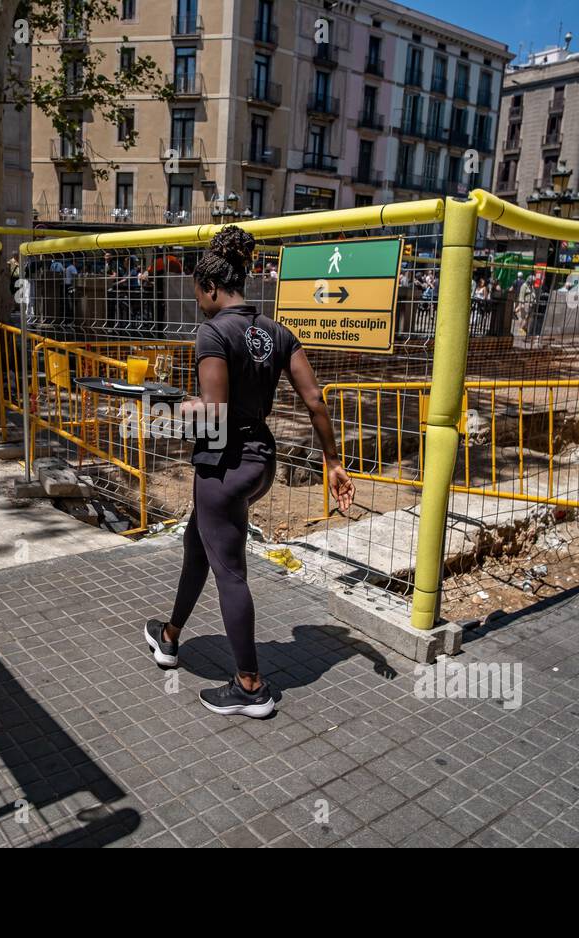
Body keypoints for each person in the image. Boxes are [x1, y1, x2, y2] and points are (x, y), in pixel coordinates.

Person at [143, 226, 354, 719]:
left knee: (230, 571)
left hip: (223, 461)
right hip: (260, 460)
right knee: (200, 544)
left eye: (198, 293)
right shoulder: (277, 332)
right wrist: (332, 459)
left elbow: (213, 410)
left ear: (212, 288)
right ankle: (170, 637)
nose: (198, 302)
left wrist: (161, 406)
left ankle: (250, 686)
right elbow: (315, 399)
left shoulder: (214, 332)